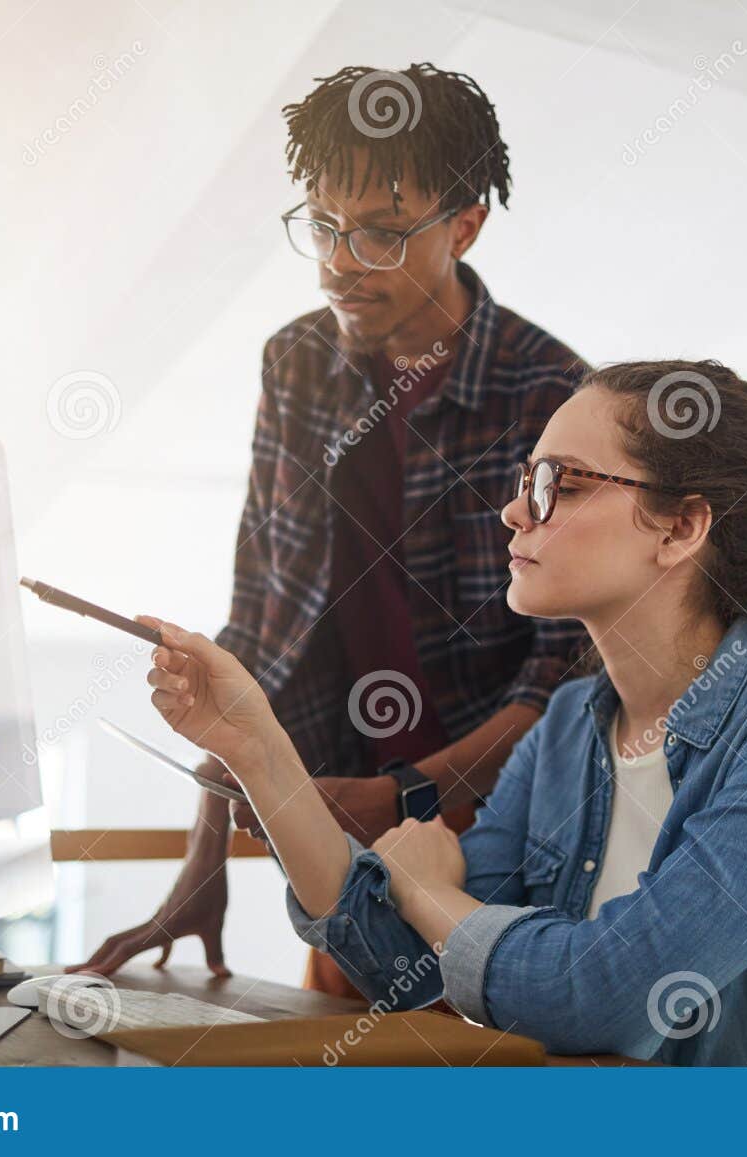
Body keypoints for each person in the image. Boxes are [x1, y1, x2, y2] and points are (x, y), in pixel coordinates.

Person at [135, 359, 747, 1064]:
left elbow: (613, 992)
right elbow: (399, 960)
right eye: (525, 483)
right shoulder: (570, 725)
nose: (514, 511)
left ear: (680, 528)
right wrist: (260, 750)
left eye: (557, 484)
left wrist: (431, 890)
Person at [70, 64, 589, 995]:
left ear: (464, 226)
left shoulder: (553, 395)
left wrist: (408, 793)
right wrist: (202, 858)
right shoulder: (297, 364)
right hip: (343, 838)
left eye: (384, 234)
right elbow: (261, 623)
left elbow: (568, 680)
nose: (341, 261)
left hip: (511, 850)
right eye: (323, 226)